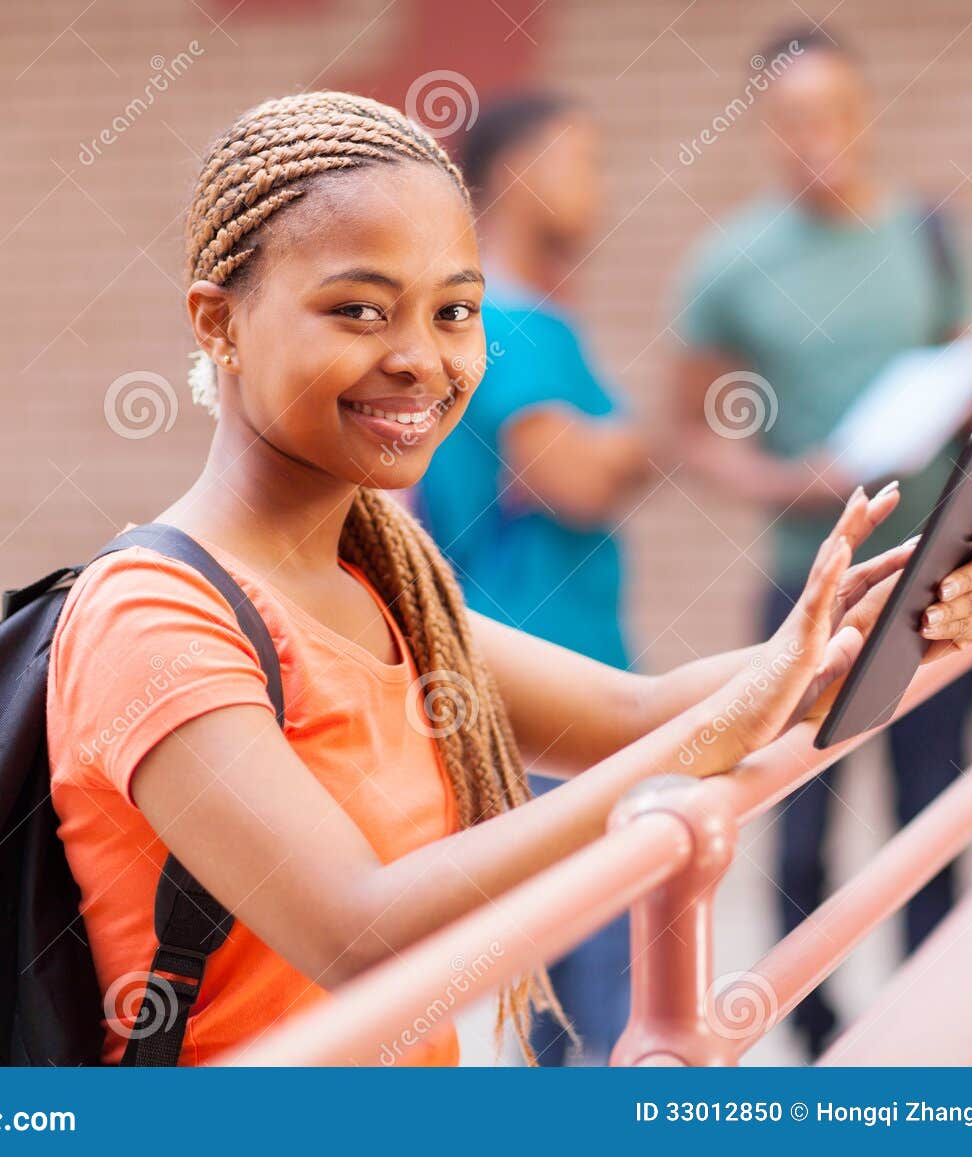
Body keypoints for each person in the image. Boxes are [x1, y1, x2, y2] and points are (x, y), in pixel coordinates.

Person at [44, 90, 972, 1066]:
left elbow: (637, 712)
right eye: (358, 309)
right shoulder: (155, 616)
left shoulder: (385, 576)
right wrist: (713, 730)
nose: (421, 358)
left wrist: (866, 628)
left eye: (454, 311)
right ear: (219, 323)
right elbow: (358, 933)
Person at [671, 28, 972, 1059]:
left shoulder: (931, 236)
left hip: (926, 577)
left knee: (929, 804)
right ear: (767, 130)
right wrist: (787, 480)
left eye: (834, 113)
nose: (817, 136)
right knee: (796, 822)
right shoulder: (727, 263)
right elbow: (682, 432)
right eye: (794, 119)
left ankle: (931, 1021)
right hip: (803, 581)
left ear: (864, 114)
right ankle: (812, 1033)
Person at [418, 93, 649, 1065]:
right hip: (546, 701)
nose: (598, 186)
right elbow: (575, 480)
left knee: (563, 1007)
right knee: (589, 1009)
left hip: (530, 686)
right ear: (514, 175)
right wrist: (658, 433)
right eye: (579, 160)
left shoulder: (506, 320)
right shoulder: (510, 323)